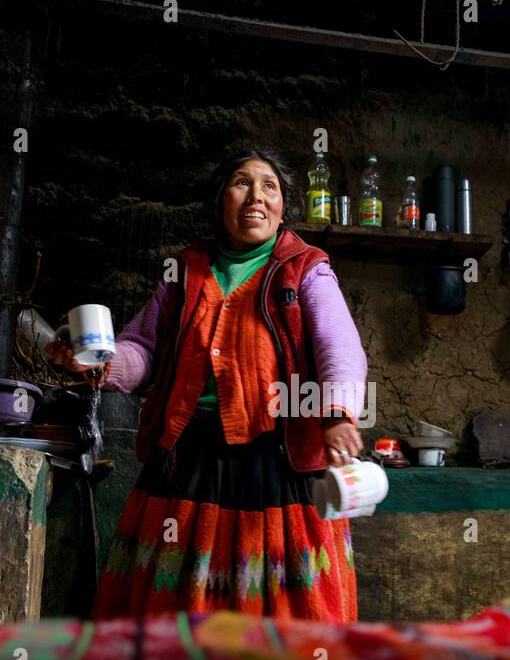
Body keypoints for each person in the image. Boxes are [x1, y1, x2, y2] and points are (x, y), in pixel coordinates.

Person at [50, 148, 367, 622]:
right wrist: (97, 363)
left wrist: (338, 415)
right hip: (188, 453)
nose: (255, 196)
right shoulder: (187, 270)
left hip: (275, 459)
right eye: (242, 183)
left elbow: (338, 347)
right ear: (221, 201)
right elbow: (144, 351)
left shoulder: (305, 269)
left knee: (281, 601)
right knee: (175, 591)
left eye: (269, 187)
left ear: (282, 208)